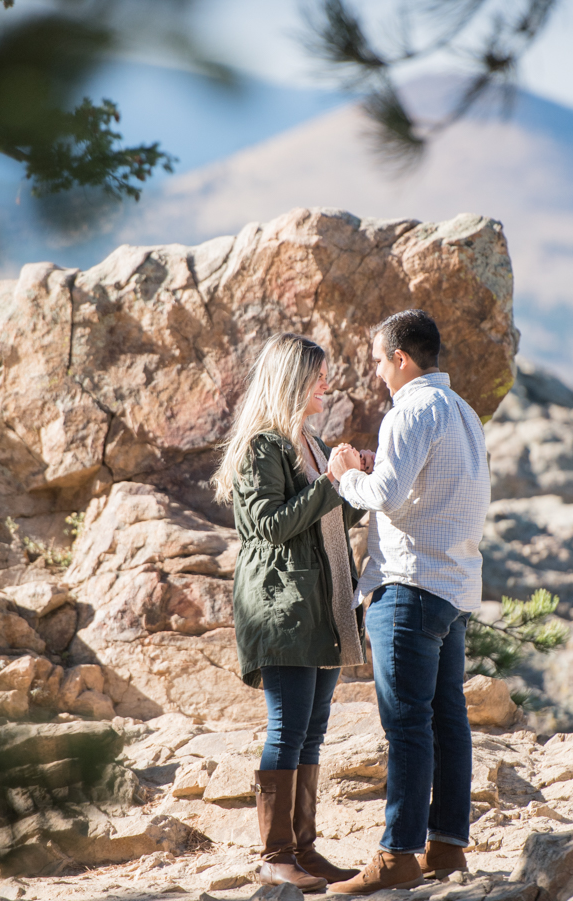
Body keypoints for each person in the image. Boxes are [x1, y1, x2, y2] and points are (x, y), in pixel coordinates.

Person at [323, 309, 491, 894]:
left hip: (408, 584)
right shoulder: (464, 413)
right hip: (452, 587)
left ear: (401, 358)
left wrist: (346, 473)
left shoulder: (409, 411)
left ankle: (396, 856)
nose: (376, 373)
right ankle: (446, 847)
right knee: (447, 719)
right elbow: (433, 492)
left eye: (377, 361)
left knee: (406, 725)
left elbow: (388, 497)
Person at [214, 332, 369, 894]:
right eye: (317, 375)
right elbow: (271, 526)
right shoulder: (263, 445)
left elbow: (323, 521)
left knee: (311, 732)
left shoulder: (309, 440)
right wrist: (330, 481)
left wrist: (353, 482)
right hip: (281, 606)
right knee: (287, 728)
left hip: (319, 607)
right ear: (291, 379)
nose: (326, 384)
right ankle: (275, 855)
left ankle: (302, 850)